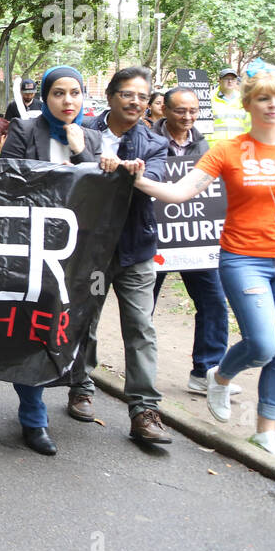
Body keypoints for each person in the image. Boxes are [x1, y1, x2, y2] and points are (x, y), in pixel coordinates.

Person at [132, 71, 275, 463]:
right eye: (263, 99)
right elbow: (181, 191)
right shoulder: (228, 150)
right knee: (263, 343)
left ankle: (265, 432)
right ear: (248, 105)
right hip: (244, 258)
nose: (272, 106)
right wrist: (138, 179)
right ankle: (220, 376)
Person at [0, 66, 104, 456]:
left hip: (77, 253)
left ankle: (77, 386)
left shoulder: (91, 137)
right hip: (32, 247)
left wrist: (81, 151)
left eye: (74, 93)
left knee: (67, 326)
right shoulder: (26, 131)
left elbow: (101, 191)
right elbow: (4, 180)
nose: (67, 101)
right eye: (58, 93)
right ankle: (33, 415)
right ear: (45, 97)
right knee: (34, 328)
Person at [73, 66, 173, 444]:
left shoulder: (152, 143)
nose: (135, 102)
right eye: (128, 94)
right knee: (87, 320)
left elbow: (157, 184)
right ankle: (80, 387)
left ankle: (144, 409)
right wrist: (94, 167)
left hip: (135, 249)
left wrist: (133, 175)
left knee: (141, 328)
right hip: (89, 249)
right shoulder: (81, 131)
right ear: (111, 95)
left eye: (143, 97)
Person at [150, 87, 238, 399]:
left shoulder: (205, 145)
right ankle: (140, 373)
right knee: (142, 307)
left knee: (214, 301)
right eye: (180, 111)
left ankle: (206, 370)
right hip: (156, 243)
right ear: (165, 110)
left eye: (193, 110)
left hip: (196, 244)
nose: (188, 117)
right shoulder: (148, 141)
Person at [209, 67, 248, 142]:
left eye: (233, 79)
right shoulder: (209, 98)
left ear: (236, 81)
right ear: (219, 81)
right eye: (226, 78)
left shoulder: (243, 99)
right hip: (215, 147)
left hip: (238, 146)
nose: (230, 81)